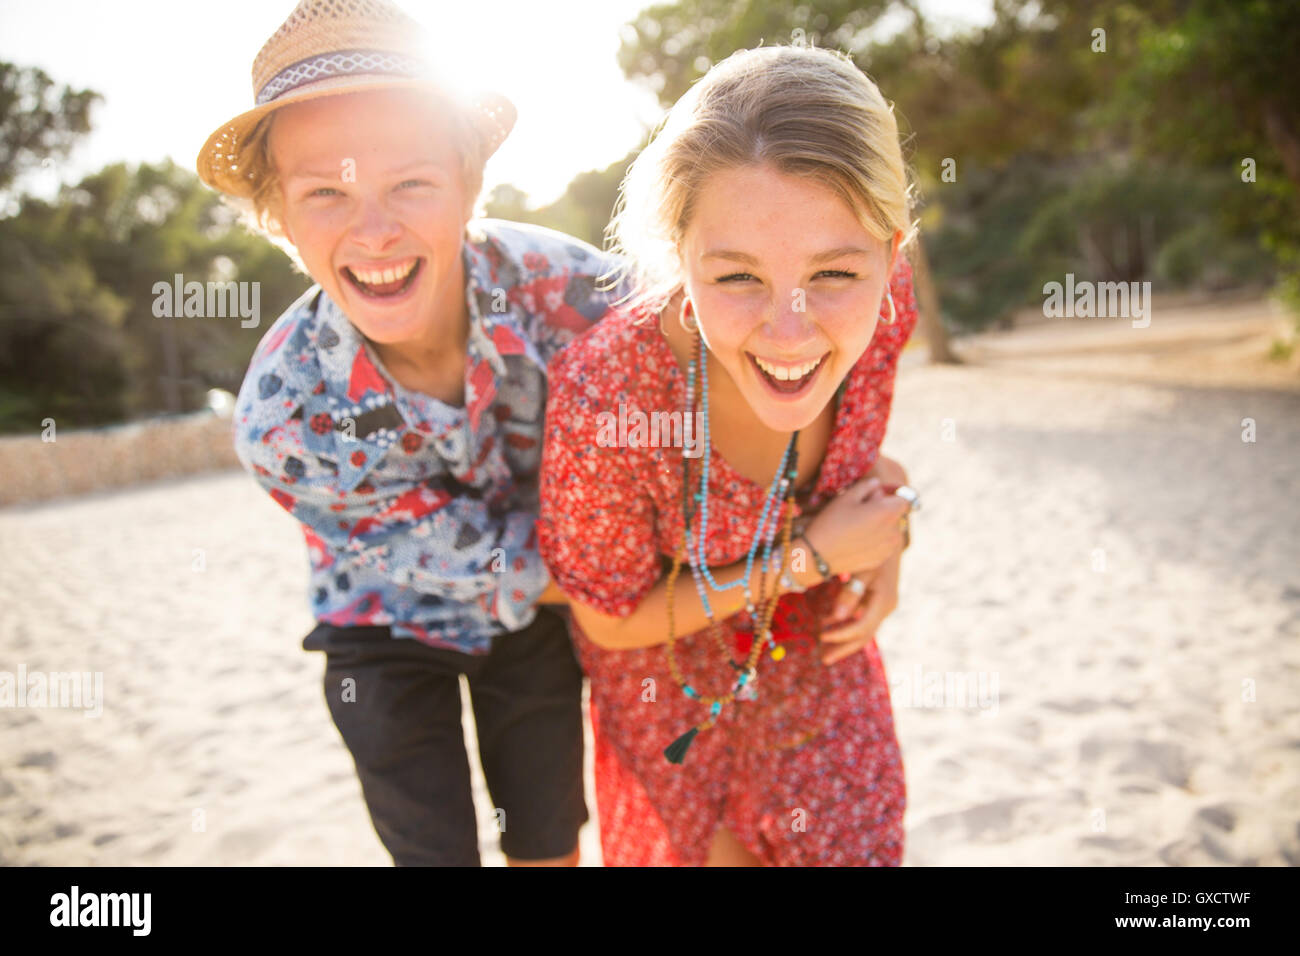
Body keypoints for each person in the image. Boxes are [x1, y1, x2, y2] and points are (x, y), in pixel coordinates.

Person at [197, 0, 625, 866]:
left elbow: (717, 376)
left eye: (413, 182)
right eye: (325, 193)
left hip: (536, 607)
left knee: (546, 839)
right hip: (380, 627)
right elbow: (476, 560)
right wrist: (652, 597)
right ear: (278, 215)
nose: (375, 229)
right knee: (432, 853)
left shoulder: (581, 294)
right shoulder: (284, 415)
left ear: (471, 183)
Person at [538, 44, 920, 866]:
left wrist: (893, 532)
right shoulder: (611, 399)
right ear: (680, 255)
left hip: (818, 659)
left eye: (835, 271)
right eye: (738, 277)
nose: (790, 330)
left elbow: (864, 467)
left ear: (893, 250)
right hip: (667, 682)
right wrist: (812, 558)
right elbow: (606, 618)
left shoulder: (889, 310)